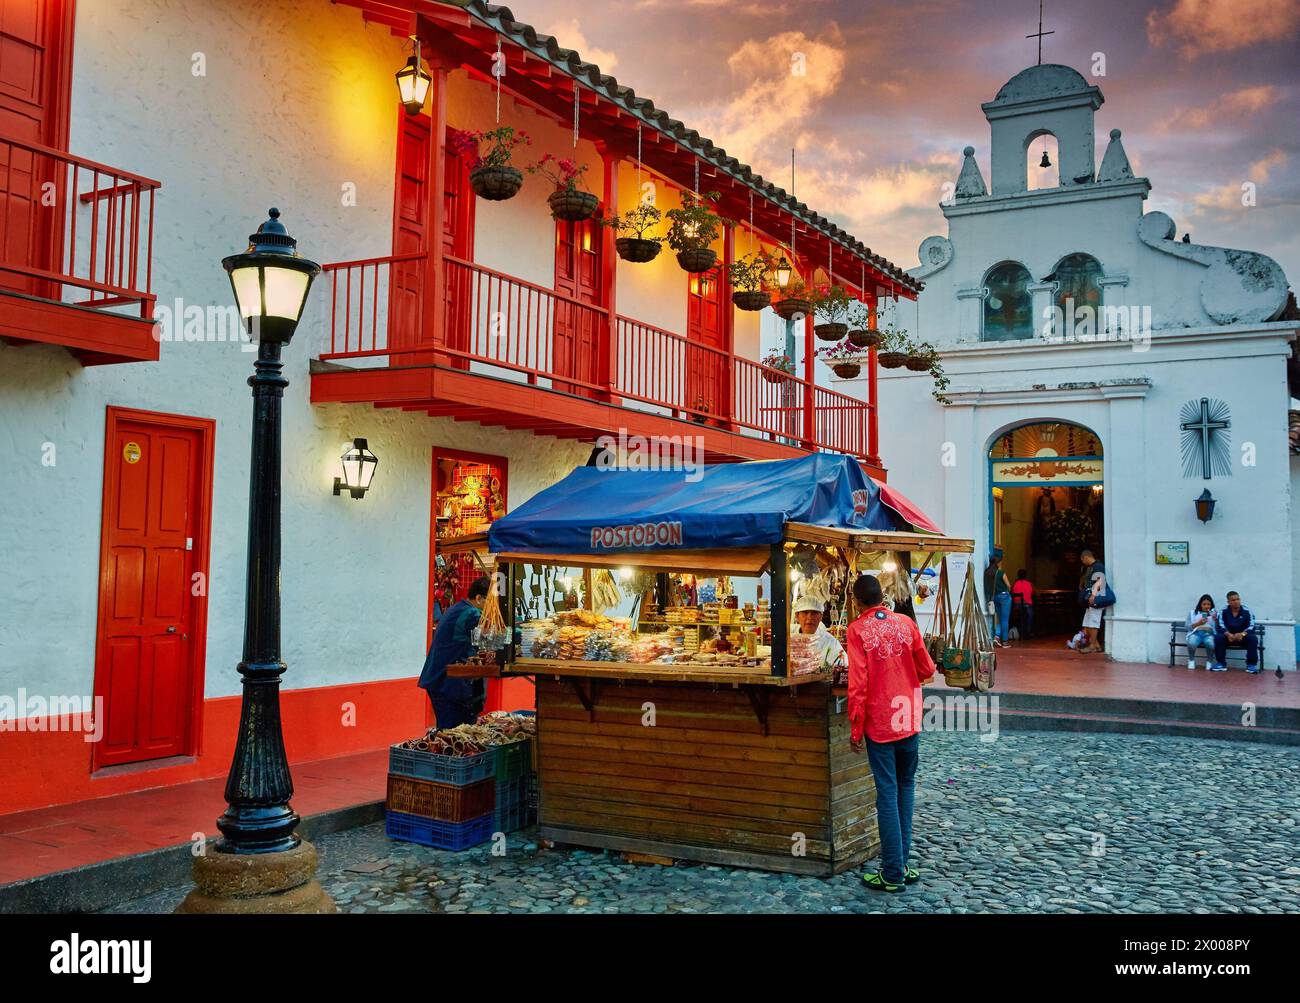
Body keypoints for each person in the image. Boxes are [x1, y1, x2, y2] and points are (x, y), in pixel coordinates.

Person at [846, 573, 936, 894]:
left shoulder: (856, 630)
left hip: (881, 723)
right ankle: (902, 864)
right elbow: (927, 669)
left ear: (857, 602)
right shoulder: (906, 623)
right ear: (882, 597)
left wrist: (856, 728)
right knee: (905, 788)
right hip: (908, 718)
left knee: (887, 793)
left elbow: (858, 684)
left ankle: (892, 872)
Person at [418, 576, 490, 728]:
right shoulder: (470, 614)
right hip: (447, 683)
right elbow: (494, 633)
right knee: (454, 733)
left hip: (444, 681)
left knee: (456, 732)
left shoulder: (458, 608)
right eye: (490, 602)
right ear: (478, 598)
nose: (492, 608)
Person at [792, 594, 848, 672]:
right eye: (805, 612)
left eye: (814, 613)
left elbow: (843, 665)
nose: (809, 617)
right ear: (797, 616)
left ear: (821, 616)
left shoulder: (830, 642)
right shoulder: (790, 637)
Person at [1215, 591, 1259, 673]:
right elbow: (1220, 625)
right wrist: (1228, 634)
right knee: (1218, 638)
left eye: (1238, 599)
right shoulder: (1223, 611)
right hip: (1228, 637)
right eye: (1233, 600)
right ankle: (1221, 663)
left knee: (1252, 638)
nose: (1236, 602)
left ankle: (1251, 665)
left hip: (1242, 637)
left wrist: (1242, 634)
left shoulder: (1247, 611)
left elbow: (1251, 626)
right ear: (1228, 602)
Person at [1077, 550, 1108, 653]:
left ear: (1085, 557)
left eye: (1082, 560)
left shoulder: (1098, 566)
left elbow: (1100, 580)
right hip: (1091, 597)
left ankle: (1092, 645)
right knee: (1087, 622)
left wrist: (1094, 594)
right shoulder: (1091, 567)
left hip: (1096, 596)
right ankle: (1097, 645)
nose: (1083, 562)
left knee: (1093, 621)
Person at [984, 552, 1012, 648]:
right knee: (1005, 620)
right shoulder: (1001, 573)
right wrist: (1008, 591)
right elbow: (1008, 585)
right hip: (1004, 597)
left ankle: (996, 636)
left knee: (1000, 619)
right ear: (997, 563)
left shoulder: (987, 573)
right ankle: (1005, 642)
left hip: (995, 597)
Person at [1185, 594, 1220, 670]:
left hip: (1208, 634)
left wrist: (1216, 620)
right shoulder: (1193, 613)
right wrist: (1199, 623)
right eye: (1204, 604)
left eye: (1208, 604)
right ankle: (1191, 660)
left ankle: (1209, 661)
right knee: (1191, 642)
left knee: (1210, 643)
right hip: (1196, 633)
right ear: (1200, 604)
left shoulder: (1214, 614)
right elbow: (1187, 626)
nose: (1206, 606)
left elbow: (1218, 628)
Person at [1011, 569, 1034, 639]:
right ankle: (1028, 632)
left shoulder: (1015, 584)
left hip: (1016, 607)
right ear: (1026, 576)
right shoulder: (1029, 584)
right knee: (1031, 615)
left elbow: (1012, 592)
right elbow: (1033, 593)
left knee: (1019, 617)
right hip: (1027, 606)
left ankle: (1019, 631)